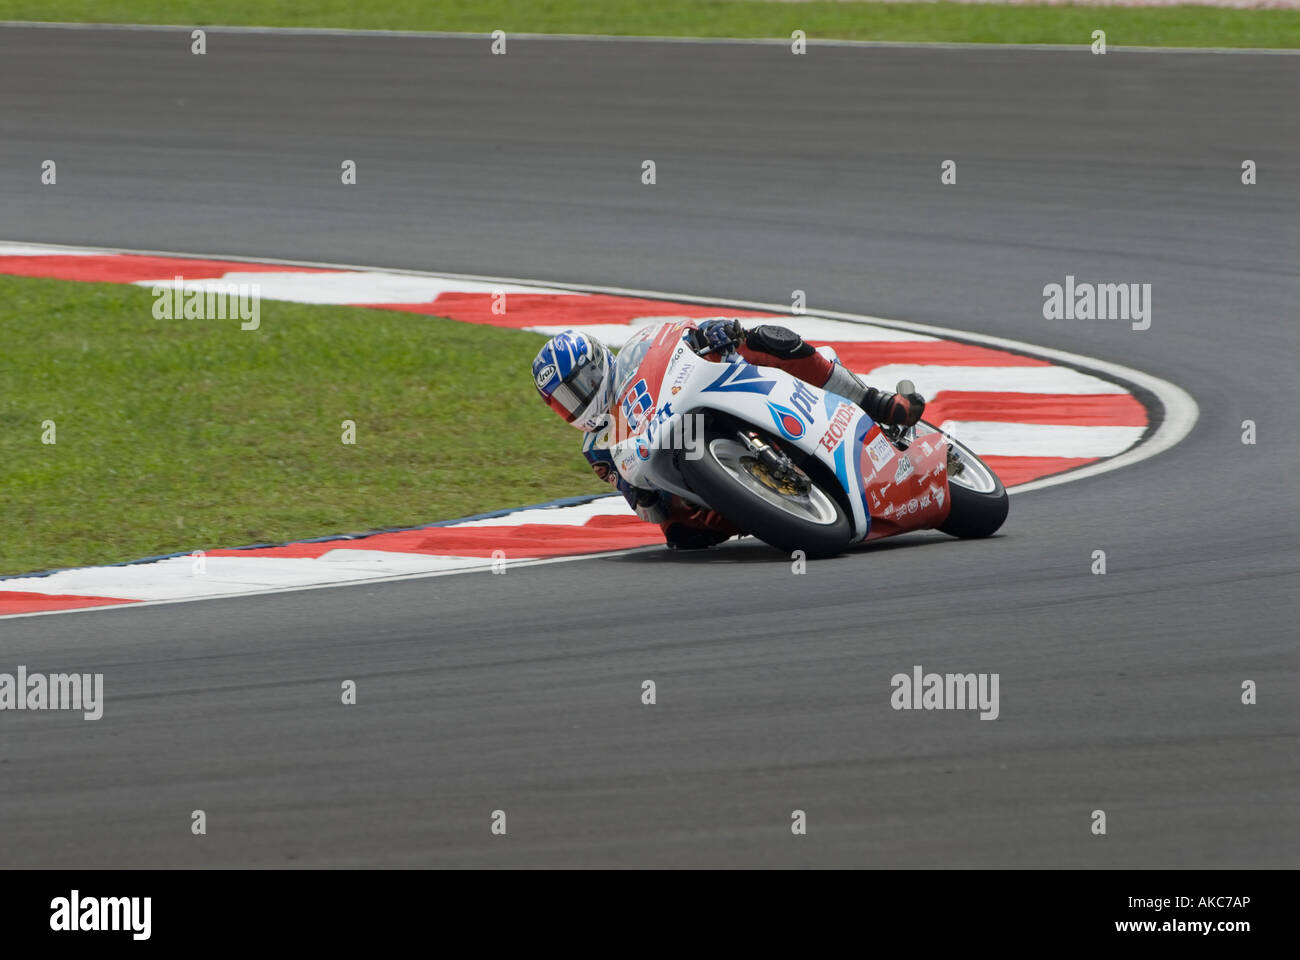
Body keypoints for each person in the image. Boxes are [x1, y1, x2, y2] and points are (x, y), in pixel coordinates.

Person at [532, 318, 925, 549]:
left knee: (766, 339)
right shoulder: (598, 447)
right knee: (680, 537)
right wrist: (640, 495)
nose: (579, 401)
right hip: (679, 456)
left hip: (707, 389)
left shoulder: (636, 351)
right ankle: (763, 505)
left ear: (599, 363)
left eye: (581, 384)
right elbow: (648, 512)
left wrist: (712, 333)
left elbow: (680, 336)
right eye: (566, 399)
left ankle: (872, 400)